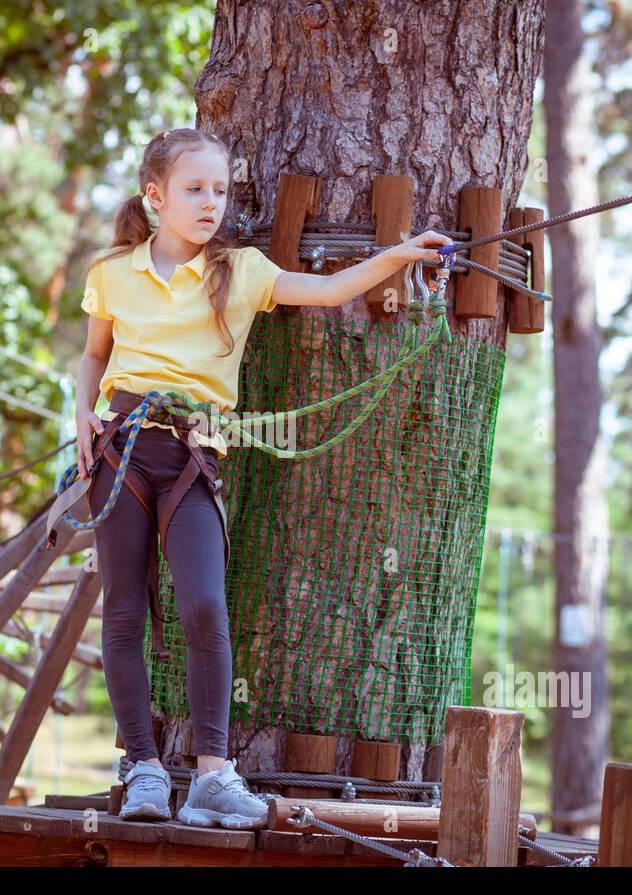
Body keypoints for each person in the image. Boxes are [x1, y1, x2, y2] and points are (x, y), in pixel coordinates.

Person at [73, 126, 448, 828]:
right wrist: (81, 416)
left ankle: (213, 775)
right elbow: (93, 357)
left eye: (220, 190)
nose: (211, 202)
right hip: (121, 451)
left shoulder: (239, 271)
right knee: (125, 612)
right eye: (194, 189)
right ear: (156, 197)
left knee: (205, 607)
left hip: (192, 455)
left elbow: (330, 287)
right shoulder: (112, 273)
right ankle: (145, 769)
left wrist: (395, 256)